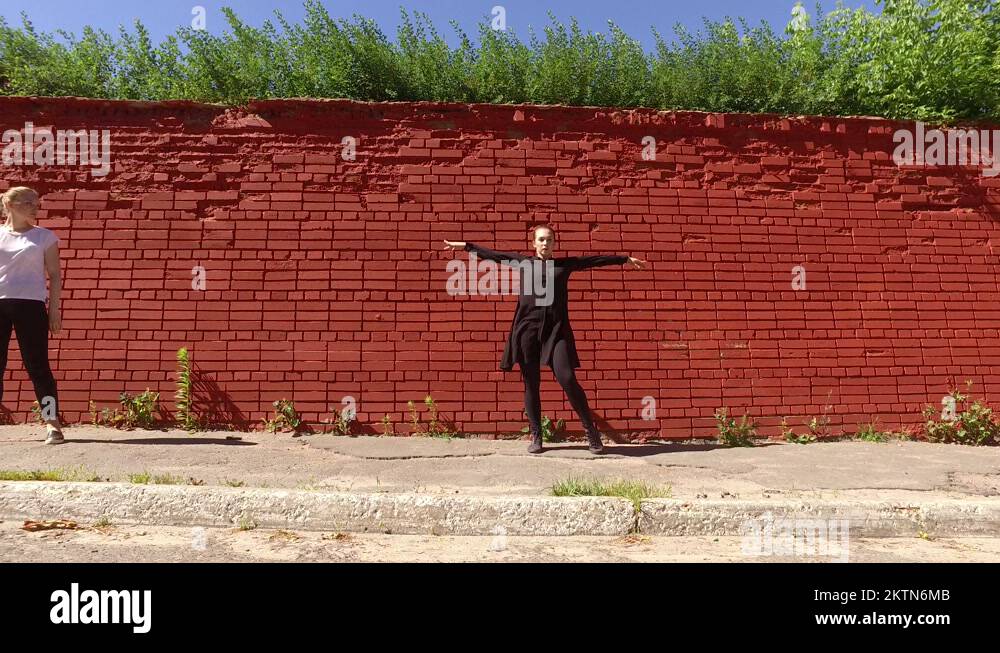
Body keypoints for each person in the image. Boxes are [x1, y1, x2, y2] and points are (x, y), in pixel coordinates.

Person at [444, 225, 646, 454]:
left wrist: (624, 259)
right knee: (532, 384)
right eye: (540, 240)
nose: (545, 243)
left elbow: (593, 260)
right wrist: (466, 246)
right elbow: (494, 255)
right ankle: (537, 436)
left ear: (554, 243)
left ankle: (591, 432)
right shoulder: (523, 262)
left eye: (549, 240)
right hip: (527, 332)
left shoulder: (563, 265)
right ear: (533, 243)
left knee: (568, 378)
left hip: (555, 333)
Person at [0, 186, 65, 444]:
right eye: (28, 202)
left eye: (36, 202)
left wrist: (54, 310)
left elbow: (55, 276)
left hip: (30, 306)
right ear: (12, 204)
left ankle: (53, 424)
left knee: (38, 368)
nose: (35, 207)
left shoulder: (45, 237)